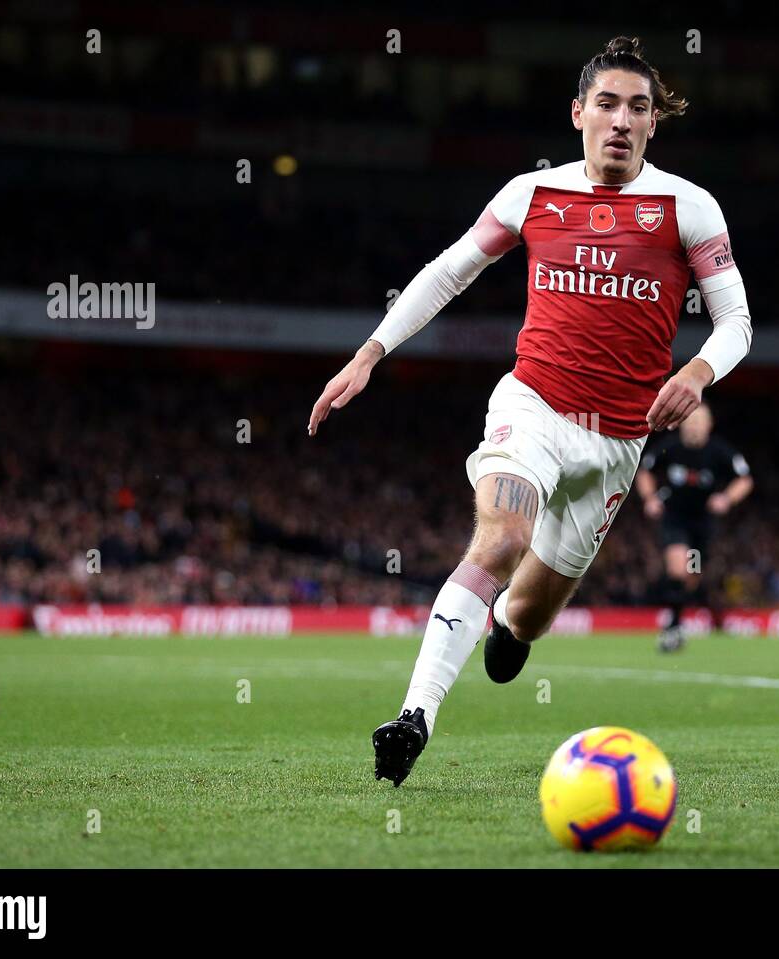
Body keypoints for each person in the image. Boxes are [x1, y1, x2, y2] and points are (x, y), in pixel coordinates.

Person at [307, 37, 752, 785]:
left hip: (617, 443)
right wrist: (370, 352)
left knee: (529, 617)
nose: (620, 120)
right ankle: (415, 715)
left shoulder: (689, 207)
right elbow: (449, 271)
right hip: (533, 406)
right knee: (501, 536)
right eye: (606, 103)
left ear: (652, 124)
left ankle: (510, 625)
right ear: (578, 112)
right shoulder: (532, 193)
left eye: (637, 107)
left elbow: (736, 319)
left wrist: (702, 368)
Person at [635, 402, 753, 651]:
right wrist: (650, 498)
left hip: (704, 523)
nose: (695, 427)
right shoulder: (670, 447)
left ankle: (674, 622)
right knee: (678, 569)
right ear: (682, 424)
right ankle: (672, 629)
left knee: (691, 578)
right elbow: (645, 471)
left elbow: (744, 479)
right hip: (675, 518)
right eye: (691, 422)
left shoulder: (720, 451)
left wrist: (726, 498)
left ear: (709, 426)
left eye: (700, 422)